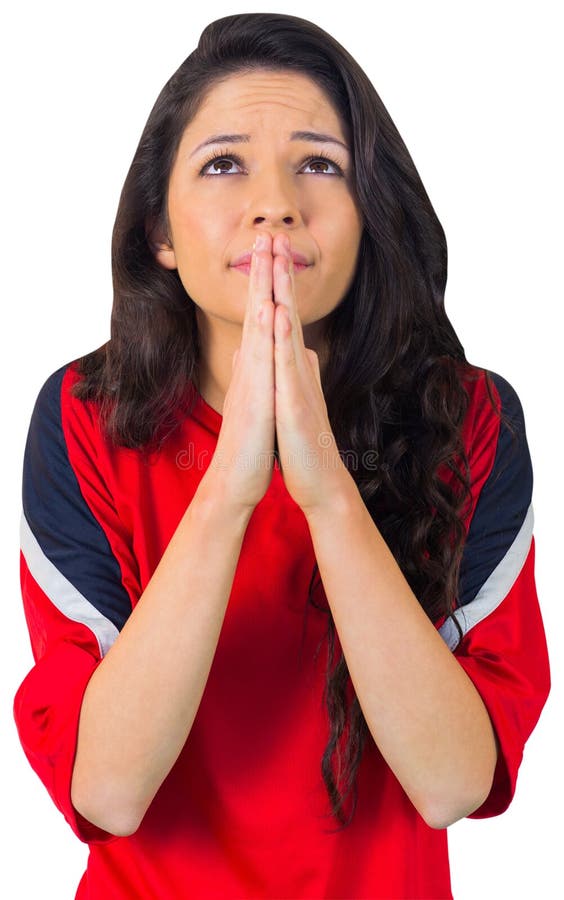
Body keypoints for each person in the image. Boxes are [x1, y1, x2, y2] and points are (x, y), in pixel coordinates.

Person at [13, 11, 550, 900]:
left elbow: (453, 780)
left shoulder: (471, 418)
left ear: (370, 216)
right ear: (163, 233)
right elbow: (106, 789)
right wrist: (232, 483)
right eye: (224, 163)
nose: (275, 203)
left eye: (319, 164)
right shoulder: (82, 419)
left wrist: (326, 492)